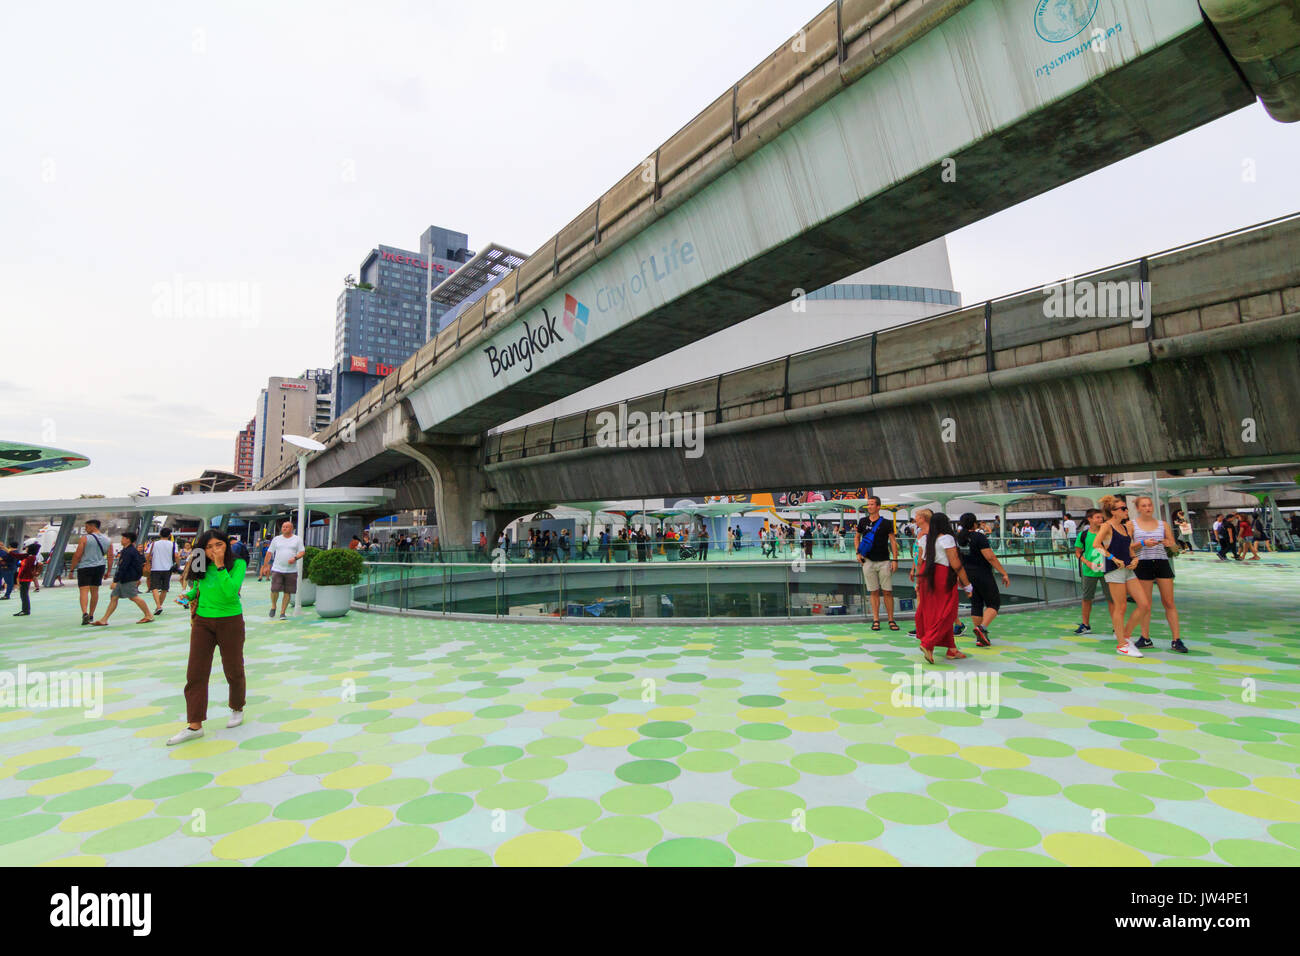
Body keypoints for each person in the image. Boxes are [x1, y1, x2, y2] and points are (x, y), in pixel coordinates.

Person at [167, 529, 248, 746]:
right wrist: (187, 595)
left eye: (218, 545)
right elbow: (198, 588)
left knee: (233, 667)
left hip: (230, 620)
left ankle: (237, 706)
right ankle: (195, 724)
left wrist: (221, 566)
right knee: (196, 672)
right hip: (202, 621)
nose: (214, 550)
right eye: (209, 547)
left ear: (226, 545)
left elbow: (231, 592)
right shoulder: (200, 563)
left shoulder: (237, 564)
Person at [910, 511, 972, 664]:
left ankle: (951, 648)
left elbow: (919, 562)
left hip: (926, 574)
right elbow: (956, 564)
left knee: (932, 611)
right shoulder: (947, 538)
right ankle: (928, 643)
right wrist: (967, 585)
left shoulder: (924, 538)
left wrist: (918, 582)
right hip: (942, 575)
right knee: (948, 612)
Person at [1093, 495, 1149, 658]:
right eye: (1123, 508)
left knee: (1144, 604)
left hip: (1128, 569)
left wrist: (1135, 559)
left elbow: (1129, 548)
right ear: (1113, 511)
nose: (1126, 511)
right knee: (1121, 606)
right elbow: (1097, 545)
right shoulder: (1106, 526)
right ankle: (1122, 644)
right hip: (1114, 570)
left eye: (1126, 508)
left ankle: (1124, 636)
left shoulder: (1126, 528)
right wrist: (1113, 558)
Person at [1130, 495, 1187, 653]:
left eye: (1150, 505)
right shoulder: (1132, 525)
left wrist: (1171, 544)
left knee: (1169, 602)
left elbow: (1175, 550)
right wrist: (1142, 543)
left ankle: (1176, 639)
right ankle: (1145, 637)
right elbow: (1128, 548)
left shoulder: (1163, 524)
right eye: (1144, 506)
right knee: (1145, 604)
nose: (1148, 508)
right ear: (1138, 508)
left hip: (1161, 562)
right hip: (1143, 563)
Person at [956, 512, 1010, 647]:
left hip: (966, 575)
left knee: (976, 604)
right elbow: (990, 556)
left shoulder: (959, 538)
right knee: (994, 603)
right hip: (982, 574)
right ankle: (982, 628)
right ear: (974, 523)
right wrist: (1003, 572)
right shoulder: (978, 537)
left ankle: (980, 638)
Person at [854, 496, 899, 632]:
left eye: (872, 504)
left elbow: (892, 541)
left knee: (887, 592)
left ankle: (891, 619)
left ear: (878, 506)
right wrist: (858, 553)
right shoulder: (862, 521)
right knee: (873, 592)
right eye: (868, 504)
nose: (869, 507)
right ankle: (876, 619)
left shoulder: (886, 523)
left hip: (884, 561)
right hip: (868, 561)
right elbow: (857, 537)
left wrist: (895, 559)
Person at [91, 530, 154, 626]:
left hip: (127, 579)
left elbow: (123, 567)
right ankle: (104, 619)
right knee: (114, 597)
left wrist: (116, 580)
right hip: (127, 579)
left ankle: (148, 615)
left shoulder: (129, 552)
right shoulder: (131, 551)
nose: (121, 540)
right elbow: (137, 565)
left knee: (133, 597)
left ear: (128, 540)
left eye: (123, 538)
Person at [67, 519, 114, 626]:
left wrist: (72, 569)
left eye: (87, 527)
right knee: (95, 591)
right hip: (100, 567)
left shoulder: (85, 538)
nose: (86, 529)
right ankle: (92, 615)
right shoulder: (108, 540)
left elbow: (77, 555)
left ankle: (85, 613)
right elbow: (110, 556)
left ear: (93, 526)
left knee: (84, 591)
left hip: (85, 567)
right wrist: (109, 571)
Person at [1072, 509, 1111, 635]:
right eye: (1097, 517)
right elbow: (1077, 552)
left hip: (1107, 570)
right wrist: (1087, 562)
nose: (1101, 520)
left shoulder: (1107, 533)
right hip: (1089, 571)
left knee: (1112, 599)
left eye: (1101, 517)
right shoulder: (1083, 535)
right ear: (1090, 519)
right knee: (1087, 598)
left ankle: (1117, 626)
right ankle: (1086, 625)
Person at [260, 520, 304, 620]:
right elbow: (269, 552)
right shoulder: (276, 539)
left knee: (287, 592)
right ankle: (273, 606)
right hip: (277, 569)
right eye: (283, 527)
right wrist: (266, 566)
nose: (284, 528)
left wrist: (295, 558)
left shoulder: (297, 539)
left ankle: (283, 612)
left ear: (292, 528)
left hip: (291, 570)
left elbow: (302, 551)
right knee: (274, 589)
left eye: (287, 527)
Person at [145, 527, 177, 615]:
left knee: (154, 587)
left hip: (155, 568)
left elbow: (147, 554)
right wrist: (177, 565)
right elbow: (176, 555)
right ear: (170, 535)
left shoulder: (154, 544)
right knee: (164, 588)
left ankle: (158, 606)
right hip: (168, 568)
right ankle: (159, 606)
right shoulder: (173, 544)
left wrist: (148, 563)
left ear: (159, 534)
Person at [12, 543, 41, 616]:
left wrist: (19, 578)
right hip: (26, 578)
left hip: (24, 578)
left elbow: (25, 568)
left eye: (27, 548)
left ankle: (25, 610)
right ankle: (25, 610)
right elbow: (17, 556)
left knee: (23, 594)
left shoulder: (30, 558)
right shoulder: (31, 557)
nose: (26, 549)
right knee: (24, 594)